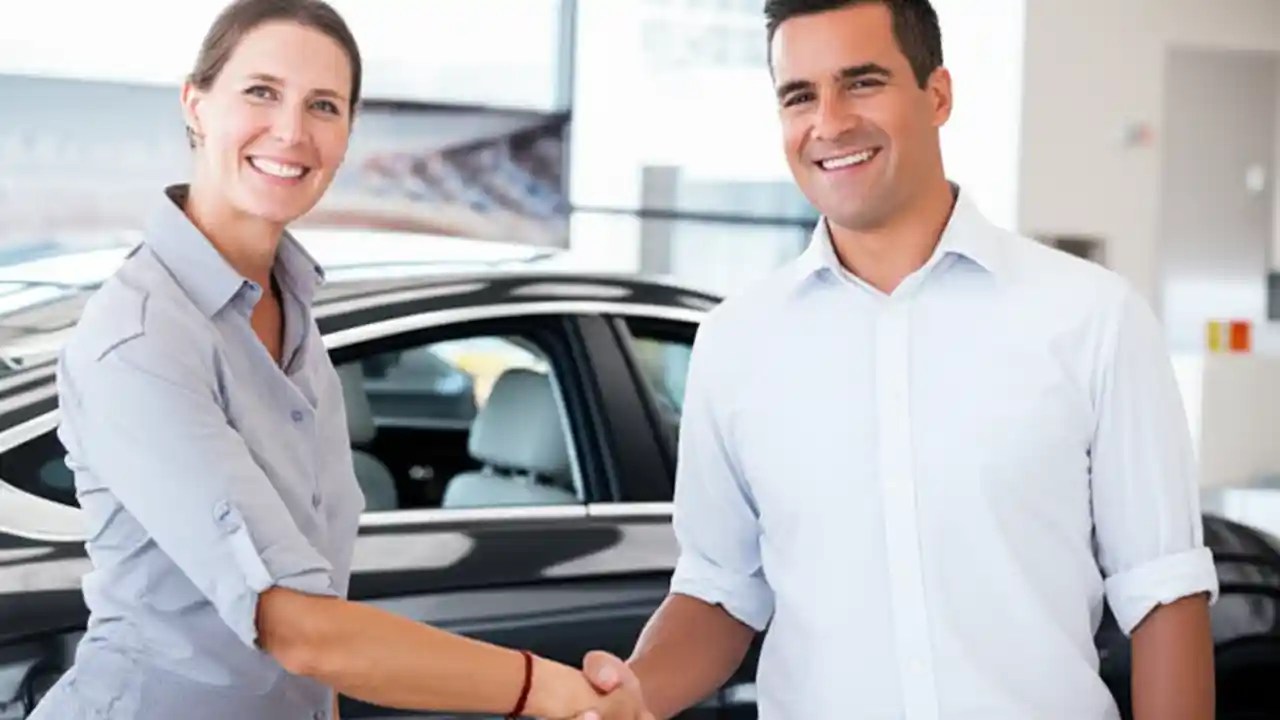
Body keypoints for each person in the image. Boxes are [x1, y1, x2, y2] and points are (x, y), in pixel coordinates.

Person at [580, 1, 1218, 719]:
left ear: (937, 94)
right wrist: (634, 692)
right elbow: (721, 589)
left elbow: (1163, 593)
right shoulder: (735, 343)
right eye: (799, 95)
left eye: (862, 82)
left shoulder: (1094, 319)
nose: (829, 122)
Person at [30, 1, 648, 719]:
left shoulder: (290, 306)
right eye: (261, 91)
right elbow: (300, 629)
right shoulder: (141, 338)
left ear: (347, 134)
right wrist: (552, 691)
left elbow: (315, 616)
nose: (291, 131)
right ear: (195, 104)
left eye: (322, 105)